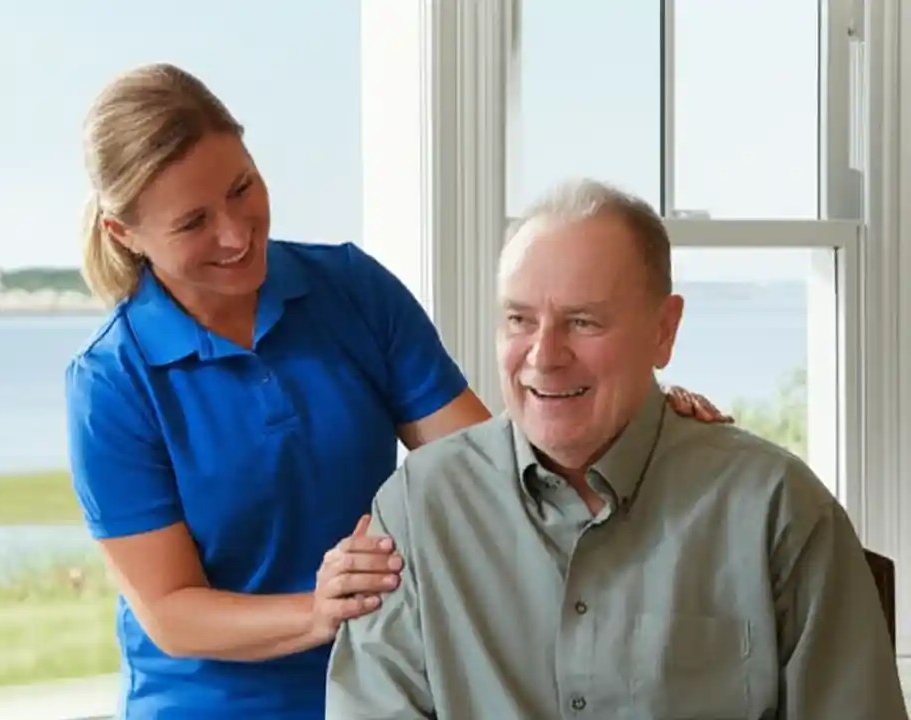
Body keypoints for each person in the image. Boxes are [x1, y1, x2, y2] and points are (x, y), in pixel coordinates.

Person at [65, 64, 728, 719]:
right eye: (193, 223)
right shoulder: (113, 384)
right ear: (126, 234)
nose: (237, 233)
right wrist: (319, 611)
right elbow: (174, 613)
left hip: (389, 685)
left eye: (243, 188)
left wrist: (636, 419)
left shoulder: (350, 290)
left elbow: (492, 464)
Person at [323, 178, 906, 719]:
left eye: (582, 322)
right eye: (519, 319)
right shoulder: (417, 511)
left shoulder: (775, 507)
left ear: (664, 330)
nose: (544, 356)